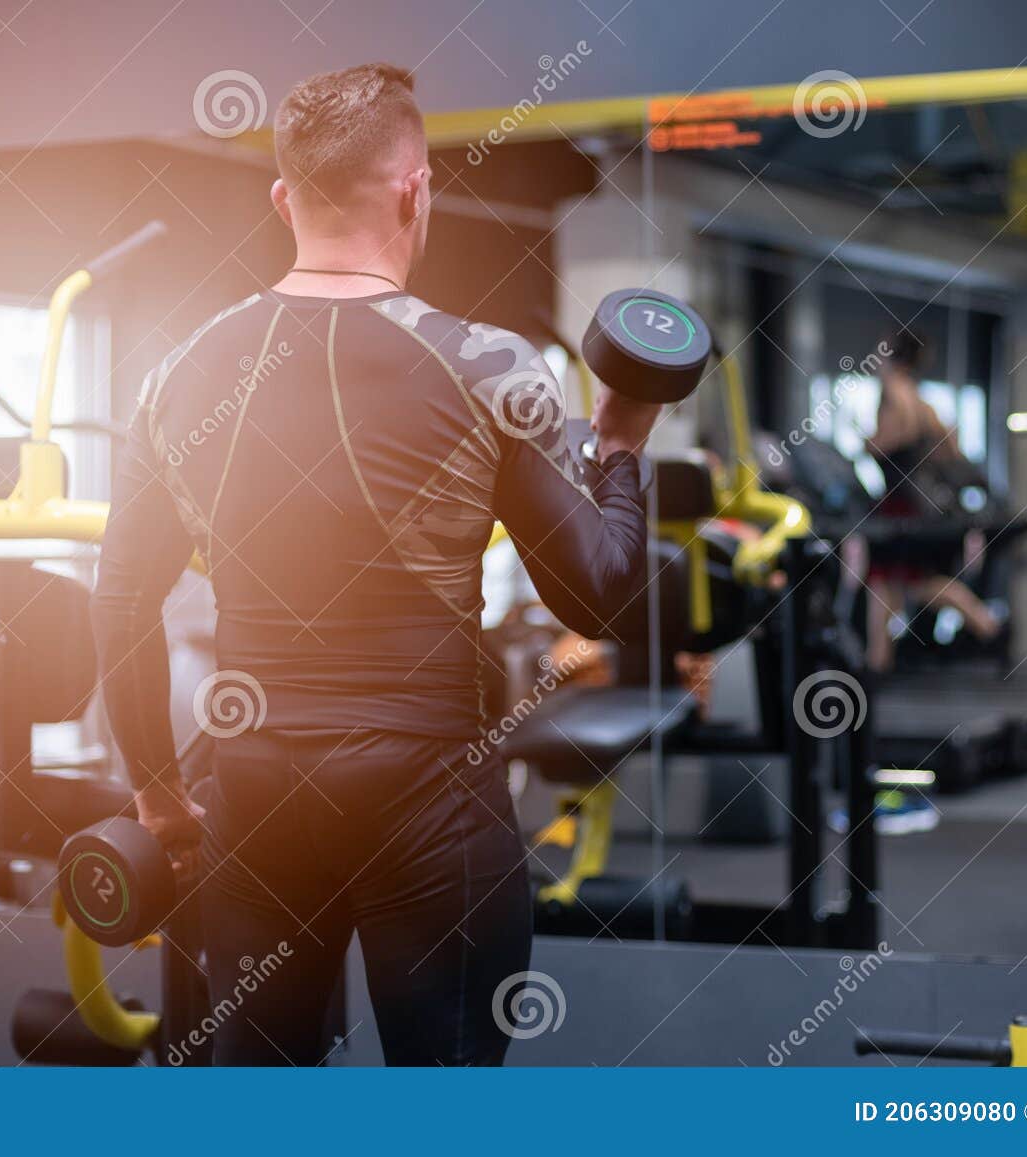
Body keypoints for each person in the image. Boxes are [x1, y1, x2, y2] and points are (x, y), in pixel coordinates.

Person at [91, 63, 661, 1064]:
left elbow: (121, 600)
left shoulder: (174, 375)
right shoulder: (488, 363)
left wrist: (157, 791)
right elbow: (596, 590)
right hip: (431, 801)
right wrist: (620, 445)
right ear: (415, 188)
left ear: (284, 198)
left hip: (255, 794)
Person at [863, 329, 1001, 673]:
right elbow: (950, 448)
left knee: (907, 583)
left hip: (902, 506)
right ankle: (879, 660)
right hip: (917, 506)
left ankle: (987, 626)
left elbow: (896, 436)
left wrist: (867, 442)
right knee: (893, 584)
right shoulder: (923, 400)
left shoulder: (895, 392)